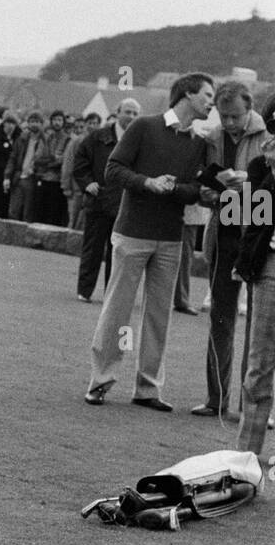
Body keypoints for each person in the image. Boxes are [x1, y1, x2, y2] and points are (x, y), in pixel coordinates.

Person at [84, 73, 213, 410]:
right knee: (117, 309)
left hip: (171, 239)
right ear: (187, 94)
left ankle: (148, 389)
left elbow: (195, 191)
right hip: (132, 233)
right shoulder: (144, 126)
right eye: (207, 95)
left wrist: (173, 188)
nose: (211, 102)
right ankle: (100, 381)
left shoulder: (198, 143)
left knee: (159, 316)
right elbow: (114, 169)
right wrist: (147, 183)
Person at [191, 81, 269, 420]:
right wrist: (216, 190)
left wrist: (247, 185)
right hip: (224, 230)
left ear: (249, 108)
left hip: (257, 232)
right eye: (224, 117)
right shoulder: (211, 139)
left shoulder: (269, 136)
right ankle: (217, 399)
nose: (230, 123)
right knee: (220, 318)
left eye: (236, 116)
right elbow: (201, 190)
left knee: (258, 325)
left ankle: (250, 406)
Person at [73, 98, 140, 301]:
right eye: (128, 112)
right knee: (92, 249)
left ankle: (111, 294)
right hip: (98, 200)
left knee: (117, 254)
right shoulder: (97, 137)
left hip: (124, 206)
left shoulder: (138, 140)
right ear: (117, 112)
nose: (131, 117)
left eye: (135, 114)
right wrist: (87, 183)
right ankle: (84, 291)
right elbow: (80, 163)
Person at [234, 133, 275, 457]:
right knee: (260, 361)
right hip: (270, 268)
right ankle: (246, 455)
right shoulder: (263, 168)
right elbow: (253, 219)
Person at [4, 109, 46, 222]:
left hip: (33, 179)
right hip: (18, 177)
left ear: (42, 123)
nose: (34, 124)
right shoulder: (22, 138)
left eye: (37, 121)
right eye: (32, 121)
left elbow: (48, 160)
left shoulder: (45, 141)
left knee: (28, 213)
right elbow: (13, 158)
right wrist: (7, 176)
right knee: (13, 210)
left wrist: (38, 170)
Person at [33, 109, 69, 225]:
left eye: (59, 120)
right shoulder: (48, 137)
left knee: (53, 213)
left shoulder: (67, 139)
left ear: (63, 122)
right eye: (54, 120)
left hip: (57, 181)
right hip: (43, 178)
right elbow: (38, 159)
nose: (57, 123)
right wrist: (52, 160)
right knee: (40, 211)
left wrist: (50, 161)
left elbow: (63, 160)